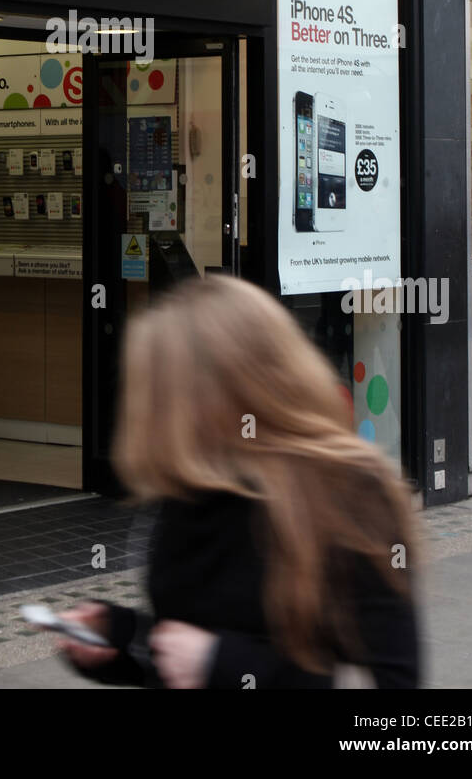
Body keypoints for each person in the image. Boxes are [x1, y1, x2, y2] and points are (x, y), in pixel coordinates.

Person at [56, 274, 420, 689]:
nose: (148, 412)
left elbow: (390, 683)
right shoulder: (192, 485)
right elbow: (189, 642)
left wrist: (221, 662)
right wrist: (119, 637)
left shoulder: (349, 492)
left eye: (164, 393)